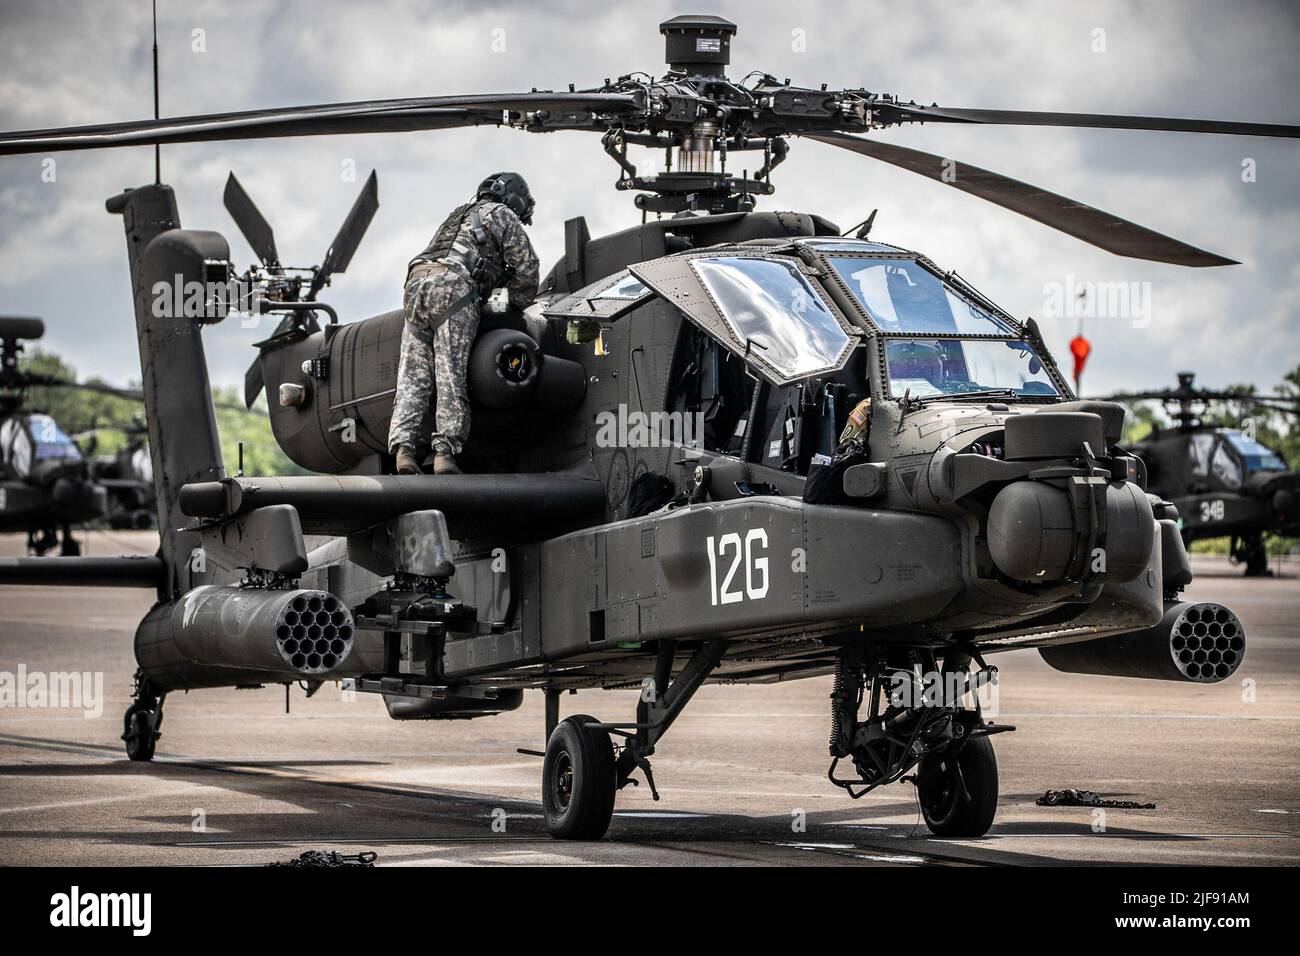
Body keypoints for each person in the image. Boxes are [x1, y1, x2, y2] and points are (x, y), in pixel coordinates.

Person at [388, 172, 540, 475]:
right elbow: (528, 269)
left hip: (416, 285)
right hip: (453, 291)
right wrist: (513, 305)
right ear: (514, 199)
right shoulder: (502, 215)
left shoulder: (459, 214)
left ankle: (404, 452)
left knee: (413, 378)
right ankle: (445, 455)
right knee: (450, 373)